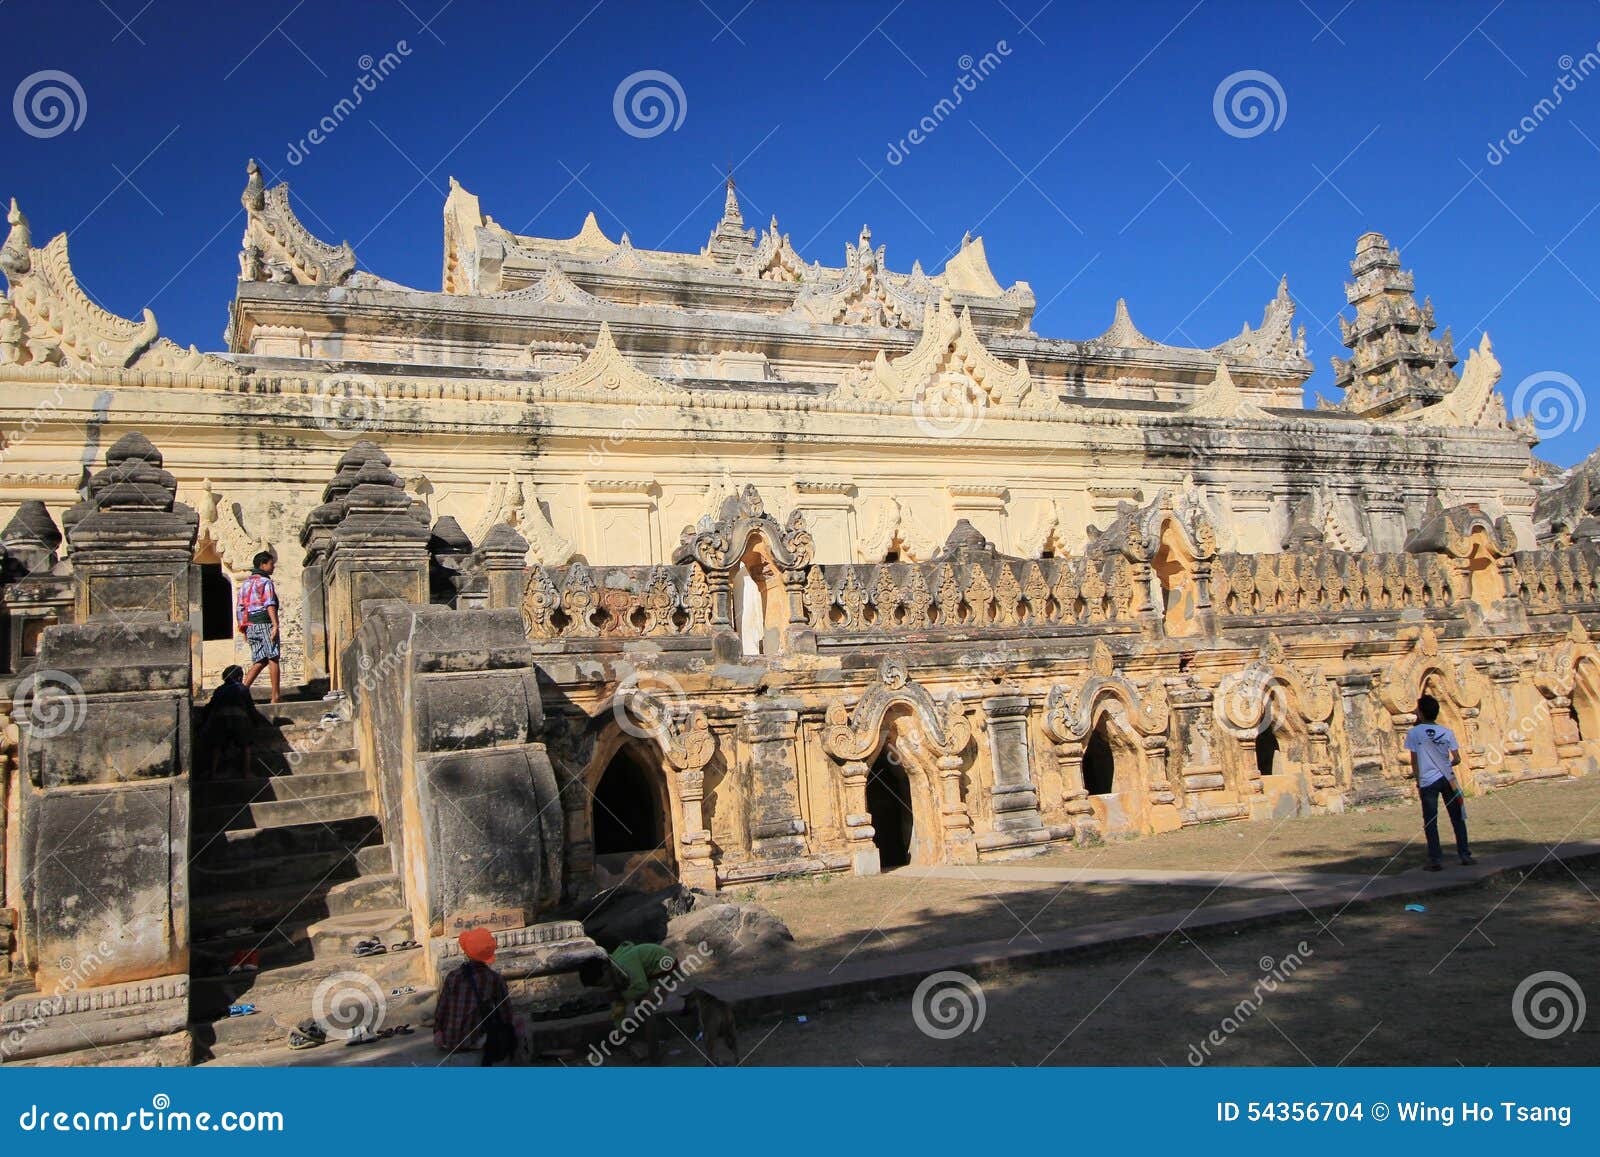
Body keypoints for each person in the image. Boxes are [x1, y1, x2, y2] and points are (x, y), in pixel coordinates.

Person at [1403, 695, 1476, 871]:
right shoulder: (1447, 732)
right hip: (1448, 779)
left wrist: (1418, 780)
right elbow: (1457, 758)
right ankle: (1464, 854)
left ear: (1420, 713)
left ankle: (1435, 859)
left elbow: (1414, 761)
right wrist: (1445, 764)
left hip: (1427, 781)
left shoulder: (1414, 733)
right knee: (1457, 818)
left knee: (1430, 821)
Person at [578, 941, 678, 1062]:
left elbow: (641, 988)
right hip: (649, 972)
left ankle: (654, 1054)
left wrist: (621, 997)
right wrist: (620, 1029)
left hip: (664, 966)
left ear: (605, 969)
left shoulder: (625, 966)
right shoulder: (612, 971)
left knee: (645, 1007)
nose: (604, 987)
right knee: (637, 1001)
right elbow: (618, 1005)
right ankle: (649, 1047)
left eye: (602, 983)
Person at [433, 927, 515, 1064]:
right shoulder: (494, 979)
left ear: (466, 953)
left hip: (450, 1040)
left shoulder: (453, 976)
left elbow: (441, 1009)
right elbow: (506, 1014)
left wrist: (438, 1031)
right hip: (476, 1041)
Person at [198, 664, 262, 778]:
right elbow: (250, 708)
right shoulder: (243, 689)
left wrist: (204, 721)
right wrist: (256, 722)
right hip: (239, 720)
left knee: (217, 746)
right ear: (239, 677)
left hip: (221, 720)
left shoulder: (219, 690)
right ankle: (246, 772)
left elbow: (211, 706)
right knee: (245, 745)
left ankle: (212, 772)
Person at [237, 551, 281, 703]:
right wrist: (275, 624)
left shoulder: (245, 584)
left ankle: (240, 693)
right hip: (265, 622)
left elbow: (240, 608)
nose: (273, 566)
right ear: (263, 565)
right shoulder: (265, 582)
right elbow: (269, 603)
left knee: (260, 660)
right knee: (273, 657)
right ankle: (275, 696)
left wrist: (243, 629)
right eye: (271, 564)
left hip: (250, 626)